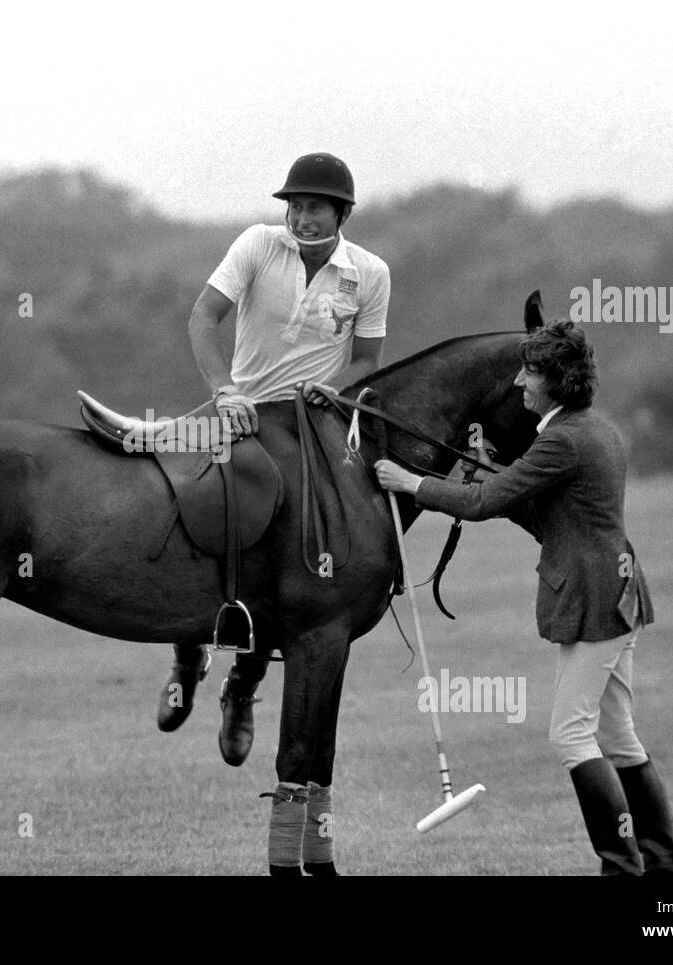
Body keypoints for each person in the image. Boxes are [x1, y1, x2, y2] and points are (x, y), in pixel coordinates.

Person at [375, 321, 673, 876]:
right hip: (619, 590)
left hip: (596, 598)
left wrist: (412, 482)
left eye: (530, 371)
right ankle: (663, 868)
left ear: (555, 381)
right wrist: (478, 479)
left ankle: (623, 868)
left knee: (570, 735)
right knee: (617, 736)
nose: (519, 380)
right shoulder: (595, 429)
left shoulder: (562, 439)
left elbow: (485, 503)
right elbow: (548, 516)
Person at [158, 153, 391, 766]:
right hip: (238, 409)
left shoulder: (369, 272)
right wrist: (223, 390)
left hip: (311, 424)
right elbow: (204, 317)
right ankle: (186, 655)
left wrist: (335, 387)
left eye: (314, 207)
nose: (301, 217)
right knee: (196, 519)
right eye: (294, 205)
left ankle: (243, 688)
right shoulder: (259, 245)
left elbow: (369, 356)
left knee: (298, 560)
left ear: (342, 213)